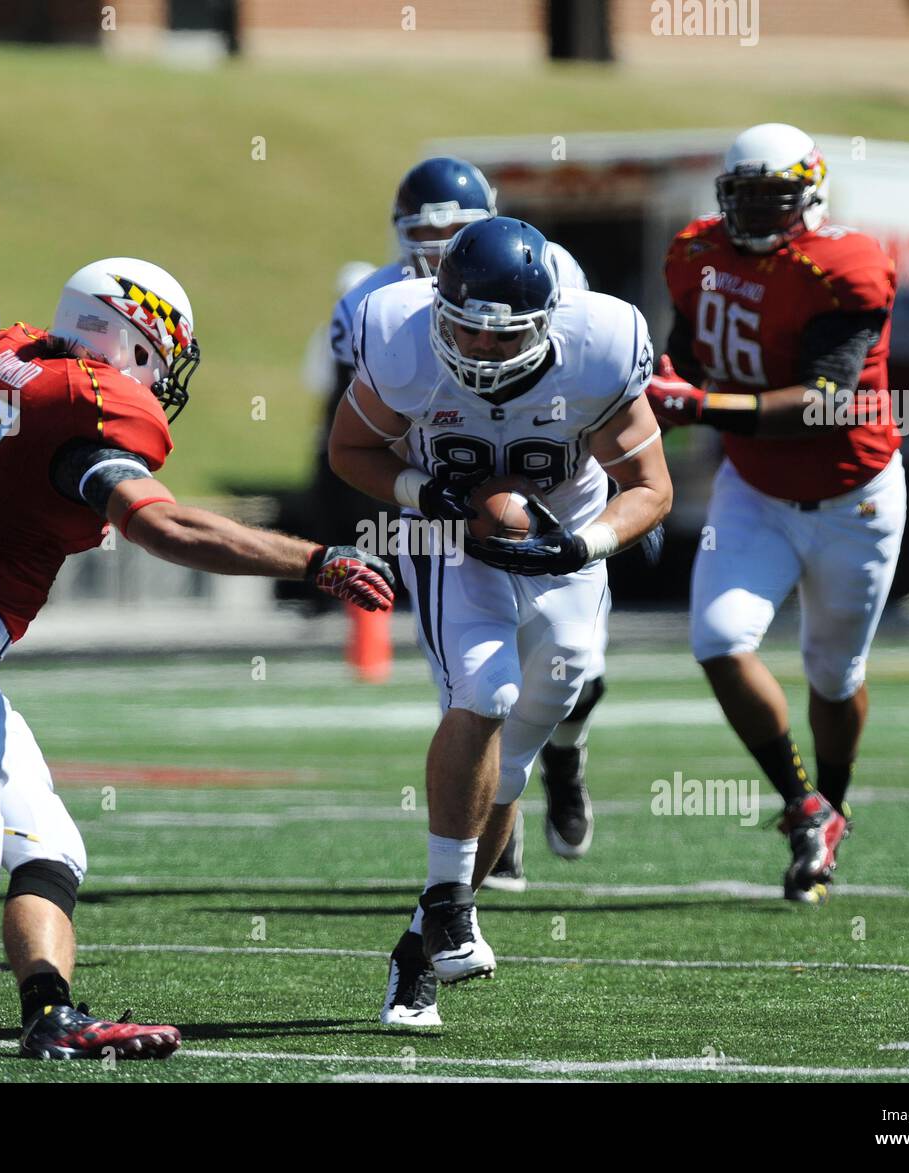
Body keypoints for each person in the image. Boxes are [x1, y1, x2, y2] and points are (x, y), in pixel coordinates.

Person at [0, 257, 394, 1059]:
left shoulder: (7, 361)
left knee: (51, 847)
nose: (165, 374)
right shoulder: (87, 406)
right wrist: (310, 560)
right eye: (164, 351)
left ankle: (50, 1014)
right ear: (133, 334)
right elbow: (166, 528)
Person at [329, 217, 670, 1026]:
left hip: (566, 537)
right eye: (464, 329)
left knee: (526, 735)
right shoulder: (399, 335)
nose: (479, 350)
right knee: (484, 690)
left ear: (550, 322)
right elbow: (352, 450)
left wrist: (582, 544)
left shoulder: (601, 345)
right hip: (453, 538)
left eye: (500, 335)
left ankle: (419, 943)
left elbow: (651, 487)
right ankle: (449, 896)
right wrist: (426, 494)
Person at [327, 156, 603, 887]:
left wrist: (590, 518)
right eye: (425, 232)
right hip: (444, 496)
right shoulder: (380, 310)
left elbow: (597, 405)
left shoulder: (559, 280)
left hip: (551, 491)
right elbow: (360, 433)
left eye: (459, 230)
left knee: (573, 669)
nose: (440, 245)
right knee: (475, 683)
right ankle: (485, 838)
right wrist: (420, 497)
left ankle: (564, 755)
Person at [647, 123, 904, 903]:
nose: (758, 211)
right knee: (720, 639)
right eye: (745, 195)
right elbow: (683, 355)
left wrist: (700, 405)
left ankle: (834, 801)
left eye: (775, 195)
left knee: (834, 671)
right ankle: (803, 804)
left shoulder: (843, 267)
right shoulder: (696, 253)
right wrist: (660, 382)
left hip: (852, 497)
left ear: (811, 192)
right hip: (753, 490)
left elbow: (825, 403)